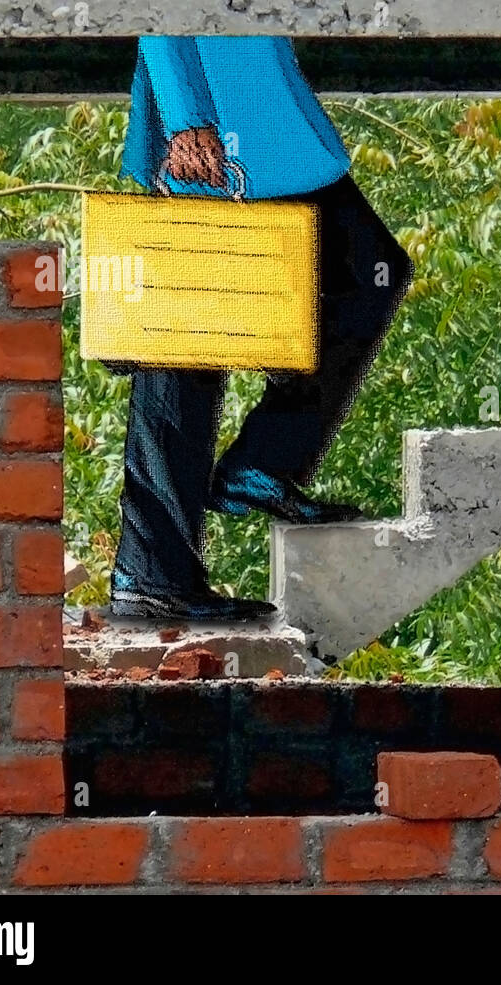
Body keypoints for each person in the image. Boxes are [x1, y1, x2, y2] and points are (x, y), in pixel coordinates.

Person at [109, 35, 412, 621]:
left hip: (254, 94)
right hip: (210, 118)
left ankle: (253, 472)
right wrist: (185, 117)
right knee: (186, 338)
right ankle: (153, 571)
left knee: (366, 274)